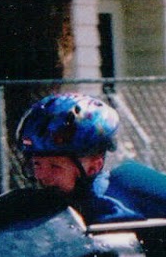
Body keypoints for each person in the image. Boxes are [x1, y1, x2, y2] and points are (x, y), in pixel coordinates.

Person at [15, 92, 144, 225]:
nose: (41, 175)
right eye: (37, 164)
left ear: (93, 167)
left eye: (55, 166)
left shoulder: (106, 214)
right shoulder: (46, 200)